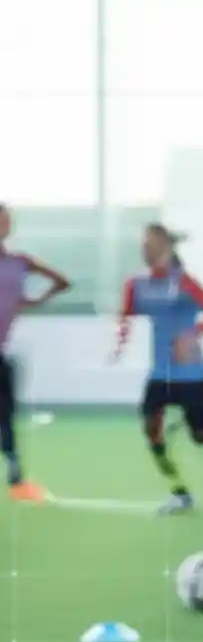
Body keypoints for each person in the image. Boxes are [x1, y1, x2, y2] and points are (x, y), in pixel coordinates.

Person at [109, 223, 203, 514]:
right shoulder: (136, 284)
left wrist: (192, 334)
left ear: (166, 246)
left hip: (191, 374)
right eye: (143, 243)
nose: (145, 247)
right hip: (159, 373)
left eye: (151, 242)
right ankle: (179, 492)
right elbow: (125, 315)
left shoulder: (183, 282)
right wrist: (119, 340)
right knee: (151, 428)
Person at [0, 203, 71, 502]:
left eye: (6, 220)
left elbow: (62, 281)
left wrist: (32, 301)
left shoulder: (20, 262)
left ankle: (17, 480)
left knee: (6, 414)